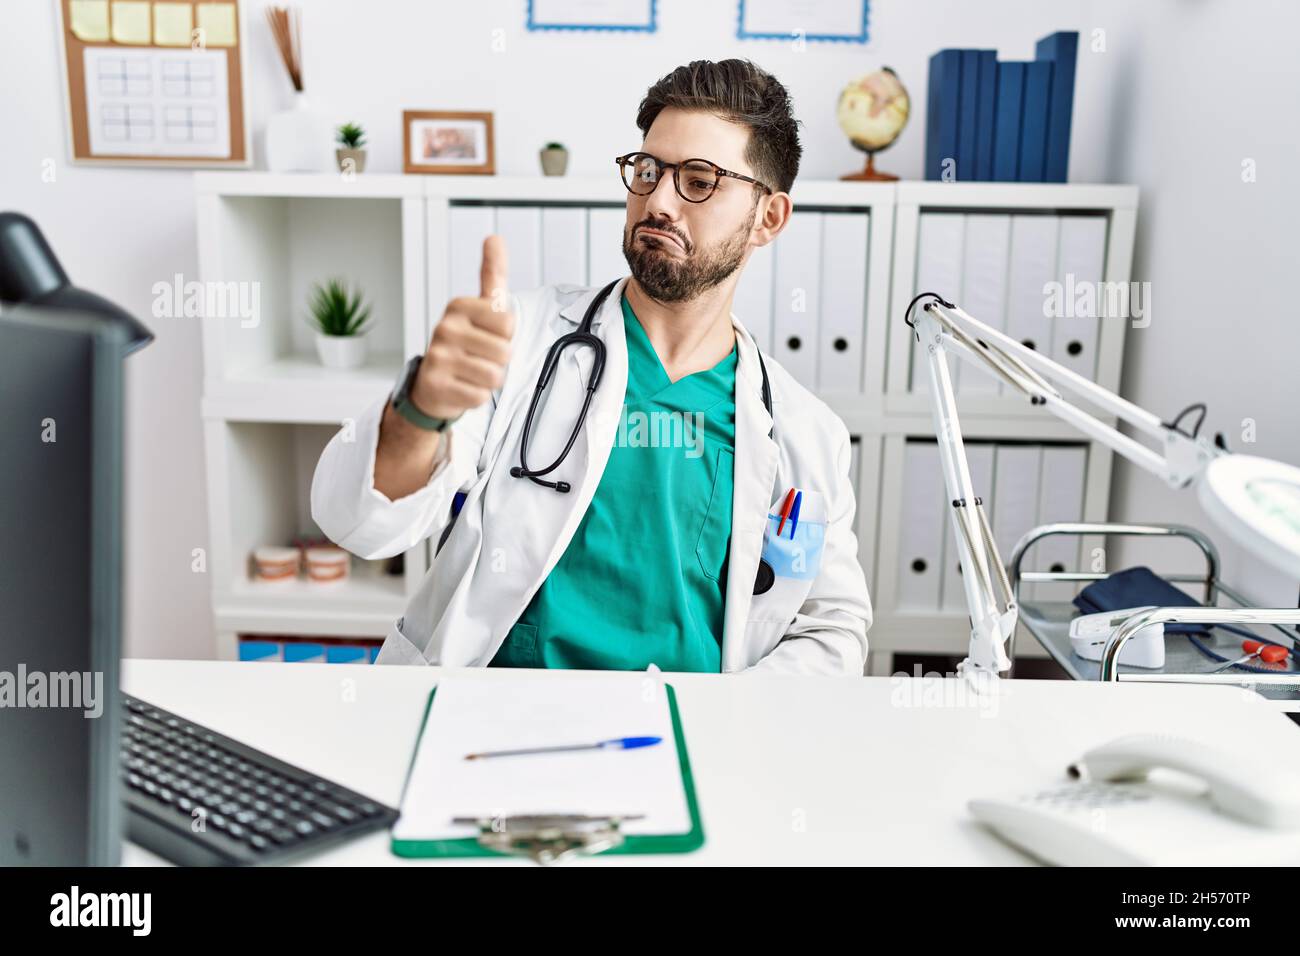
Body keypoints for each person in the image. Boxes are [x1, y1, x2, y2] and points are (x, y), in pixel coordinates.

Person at [311, 59, 871, 674]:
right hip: (491, 727)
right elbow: (360, 526)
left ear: (768, 218)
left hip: (686, 741)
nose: (657, 201)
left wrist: (728, 723)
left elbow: (832, 626)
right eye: (648, 170)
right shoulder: (519, 343)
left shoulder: (806, 431)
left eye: (700, 180)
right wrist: (422, 412)